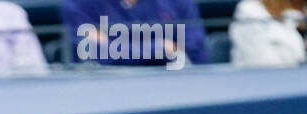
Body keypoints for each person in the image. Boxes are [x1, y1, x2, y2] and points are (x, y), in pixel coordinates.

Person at [61, 0, 211, 67]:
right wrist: (162, 47)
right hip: (106, 94)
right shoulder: (79, 3)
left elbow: (196, 50)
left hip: (173, 88)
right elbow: (95, 55)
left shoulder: (177, 2)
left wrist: (115, 46)